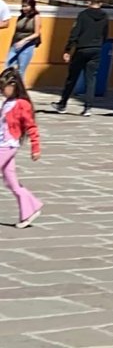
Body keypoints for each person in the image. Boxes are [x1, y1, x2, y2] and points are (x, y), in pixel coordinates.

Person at [0, 67, 43, 229]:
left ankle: (30, 208)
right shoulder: (8, 102)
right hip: (2, 143)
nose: (2, 91)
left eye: (4, 88)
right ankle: (31, 208)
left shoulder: (22, 104)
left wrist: (35, 148)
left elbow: (31, 127)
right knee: (12, 182)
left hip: (8, 145)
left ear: (14, 85)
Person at [54, 0, 109, 116]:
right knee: (91, 79)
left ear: (89, 3)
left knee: (72, 77)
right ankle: (88, 107)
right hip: (96, 49)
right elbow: (105, 34)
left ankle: (62, 104)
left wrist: (68, 49)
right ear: (100, 3)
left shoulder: (83, 15)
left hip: (82, 48)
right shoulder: (105, 16)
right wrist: (99, 44)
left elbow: (75, 32)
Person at [5, 0, 42, 86]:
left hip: (27, 45)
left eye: (26, 6)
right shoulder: (21, 16)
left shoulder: (36, 17)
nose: (24, 8)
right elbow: (16, 32)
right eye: (23, 6)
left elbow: (36, 33)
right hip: (16, 44)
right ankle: (5, 85)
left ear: (32, 6)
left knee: (21, 69)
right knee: (8, 65)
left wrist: (24, 41)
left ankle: (19, 89)